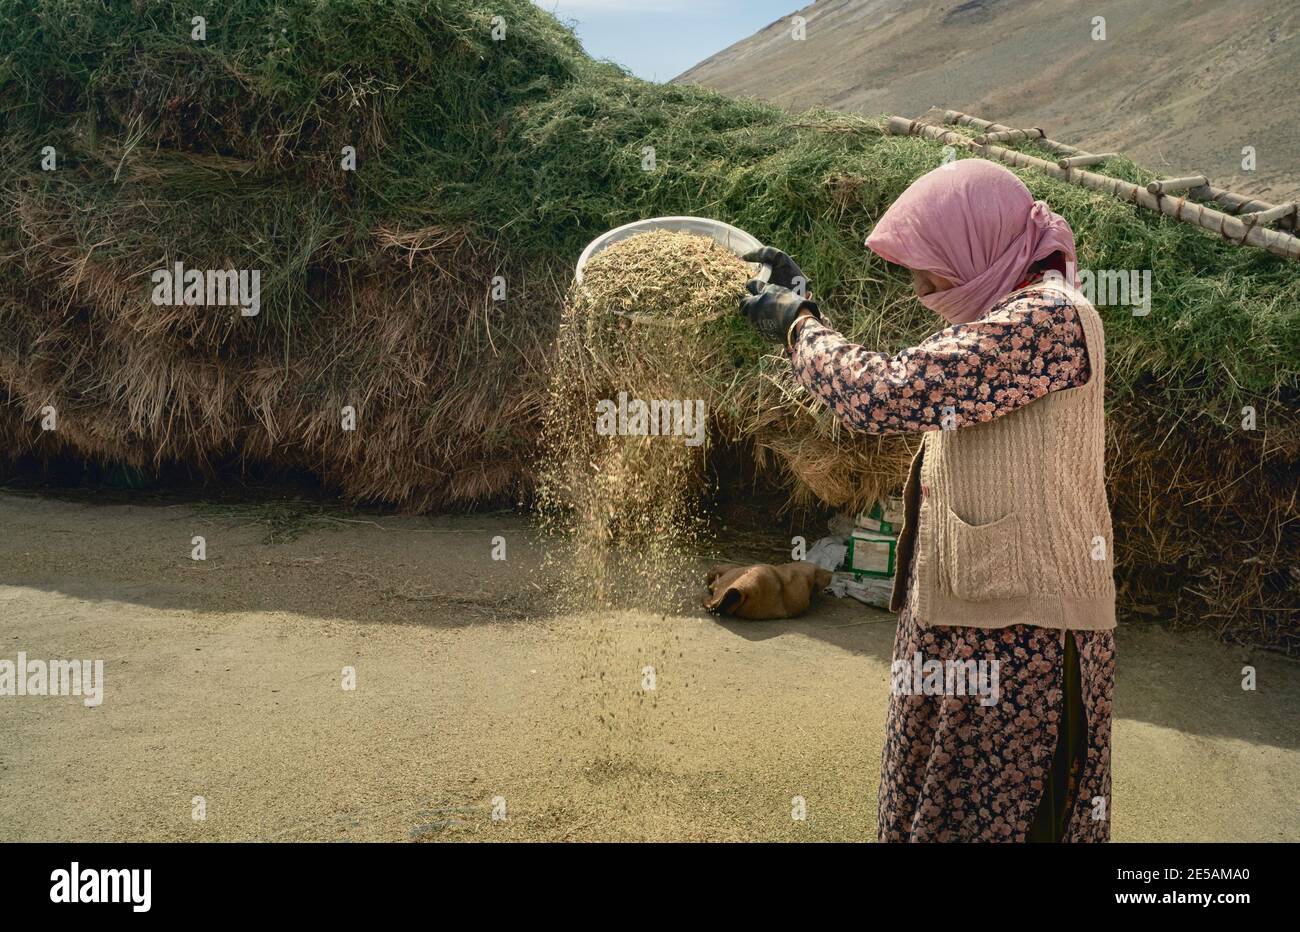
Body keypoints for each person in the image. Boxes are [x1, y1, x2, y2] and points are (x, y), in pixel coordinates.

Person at [739, 158, 1116, 843]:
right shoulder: (1004, 316)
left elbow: (886, 393)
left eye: (929, 263)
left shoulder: (1049, 321)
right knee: (936, 815)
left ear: (978, 245)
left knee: (998, 821)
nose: (917, 286)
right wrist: (804, 305)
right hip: (965, 619)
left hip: (1021, 642)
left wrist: (800, 326)